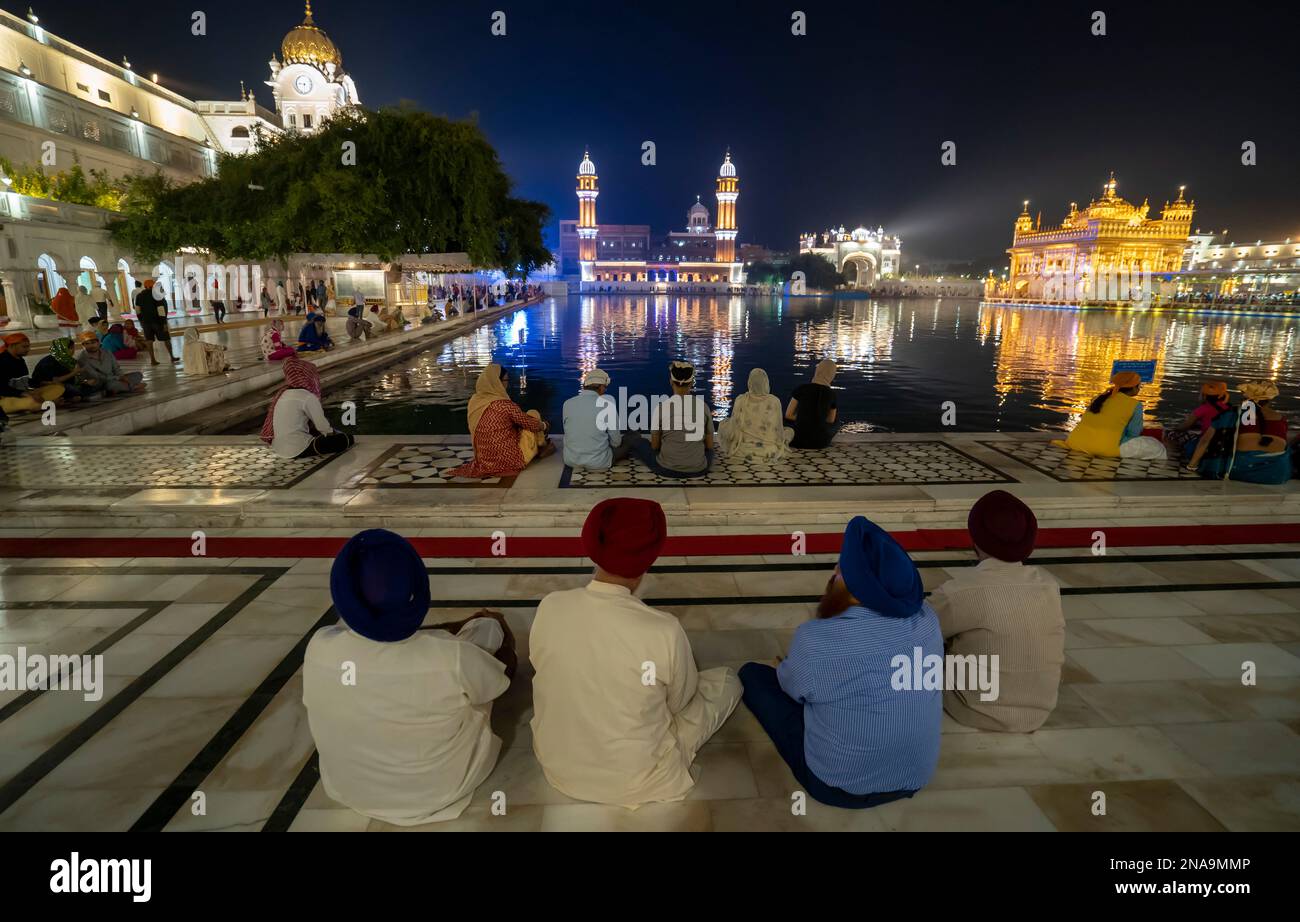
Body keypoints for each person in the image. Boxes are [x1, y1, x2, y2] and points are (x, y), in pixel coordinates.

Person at [530, 498, 742, 805]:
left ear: (591, 542)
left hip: (559, 767)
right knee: (727, 681)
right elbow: (680, 701)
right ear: (651, 557)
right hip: (639, 779)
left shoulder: (551, 605)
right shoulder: (663, 629)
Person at [303, 529, 515, 826]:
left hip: (351, 789)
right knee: (490, 631)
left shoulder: (319, 647)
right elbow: (496, 686)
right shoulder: (449, 658)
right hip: (441, 791)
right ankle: (477, 625)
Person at [738, 516, 942, 809]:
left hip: (837, 787)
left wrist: (794, 667)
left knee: (754, 677)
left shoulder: (816, 637)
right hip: (915, 777)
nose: (835, 572)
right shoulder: (927, 620)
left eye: (841, 570)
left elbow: (792, 689)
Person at [928, 491, 1064, 732]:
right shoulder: (1048, 585)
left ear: (976, 538)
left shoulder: (961, 591)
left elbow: (917, 631)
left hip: (976, 711)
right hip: (1040, 712)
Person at [445, 363, 553, 478]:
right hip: (510, 461)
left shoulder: (475, 401)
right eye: (506, 381)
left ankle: (541, 444)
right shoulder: (504, 405)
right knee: (532, 414)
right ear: (497, 382)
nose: (507, 384)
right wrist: (545, 426)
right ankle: (542, 445)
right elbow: (531, 425)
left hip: (484, 461)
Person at [629, 360, 714, 477]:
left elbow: (655, 446)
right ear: (691, 383)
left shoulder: (661, 408)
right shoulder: (703, 407)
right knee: (709, 452)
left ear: (671, 382)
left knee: (640, 443)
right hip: (698, 469)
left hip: (666, 468)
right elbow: (709, 446)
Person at [260, 356, 354, 458]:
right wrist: (333, 433)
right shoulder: (307, 397)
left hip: (278, 448)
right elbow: (323, 427)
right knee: (346, 439)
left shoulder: (283, 393)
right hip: (298, 449)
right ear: (308, 377)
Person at [1063, 371, 1165, 460]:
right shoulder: (1135, 405)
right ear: (1133, 387)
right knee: (1157, 447)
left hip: (1076, 442)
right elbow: (1133, 434)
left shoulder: (1099, 398)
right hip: (1105, 447)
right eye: (1139, 386)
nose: (1139, 389)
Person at [561, 368, 638, 470]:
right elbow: (616, 443)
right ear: (601, 387)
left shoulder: (567, 404)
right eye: (605, 387)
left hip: (571, 460)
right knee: (634, 436)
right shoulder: (607, 406)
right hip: (599, 462)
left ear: (585, 386)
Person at [719, 367, 794, 462]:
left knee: (723, 424)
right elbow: (778, 431)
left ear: (749, 382)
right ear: (766, 383)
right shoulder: (774, 401)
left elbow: (734, 428)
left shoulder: (741, 400)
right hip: (769, 450)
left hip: (742, 449)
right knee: (789, 431)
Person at [1167, 381, 1232, 469]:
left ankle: (1173, 459)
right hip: (1223, 443)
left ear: (1204, 397)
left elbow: (1185, 426)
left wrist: (1174, 428)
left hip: (1206, 445)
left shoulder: (1203, 409)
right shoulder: (1228, 407)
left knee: (1172, 434)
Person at [0, 333, 65, 412]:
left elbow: (24, 380)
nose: (28, 349)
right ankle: (47, 404)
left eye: (28, 346)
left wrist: (42, 383)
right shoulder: (2, 361)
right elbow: (2, 388)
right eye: (24, 347)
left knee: (58, 388)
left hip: (24, 394)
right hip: (6, 398)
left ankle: (42, 403)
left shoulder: (20, 360)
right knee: (31, 401)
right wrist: (25, 394)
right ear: (11, 346)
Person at [786, 358, 839, 450]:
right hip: (821, 442)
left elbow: (788, 415)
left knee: (784, 420)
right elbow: (830, 420)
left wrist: (803, 418)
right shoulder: (831, 394)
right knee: (837, 422)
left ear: (817, 371)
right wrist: (817, 419)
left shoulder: (802, 389)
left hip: (797, 440)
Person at [75, 330, 146, 397]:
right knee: (110, 385)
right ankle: (132, 387)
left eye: (93, 343)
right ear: (83, 346)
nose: (91, 346)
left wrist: (122, 377)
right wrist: (119, 378)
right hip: (100, 383)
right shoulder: (82, 359)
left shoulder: (107, 352)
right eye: (87, 344)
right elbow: (98, 377)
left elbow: (116, 368)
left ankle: (118, 389)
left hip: (114, 378)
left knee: (138, 375)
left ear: (98, 342)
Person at [29, 337, 95, 403]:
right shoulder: (49, 361)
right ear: (62, 349)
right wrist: (74, 372)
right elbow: (55, 380)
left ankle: (70, 398)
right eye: (70, 348)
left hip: (63, 385)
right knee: (70, 388)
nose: (73, 351)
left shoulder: (67, 360)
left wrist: (84, 382)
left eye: (73, 348)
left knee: (90, 384)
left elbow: (71, 379)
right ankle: (68, 398)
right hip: (46, 387)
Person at [134, 279, 177, 365]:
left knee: (149, 340)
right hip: (157, 321)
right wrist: (164, 322)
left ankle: (152, 360)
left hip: (145, 322)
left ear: (145, 286)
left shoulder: (139, 295)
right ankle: (172, 357)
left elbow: (137, 310)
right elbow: (161, 309)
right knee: (166, 338)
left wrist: (141, 321)